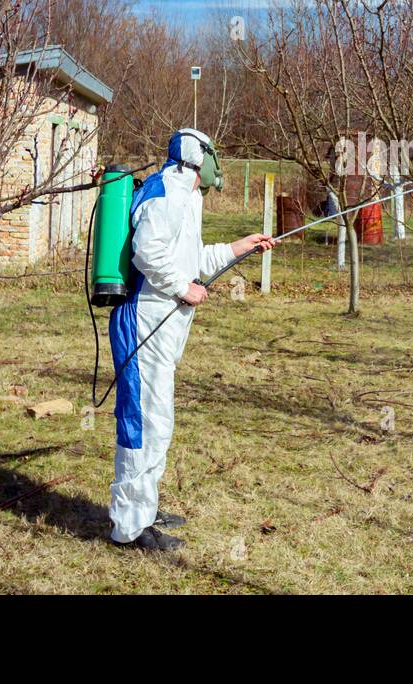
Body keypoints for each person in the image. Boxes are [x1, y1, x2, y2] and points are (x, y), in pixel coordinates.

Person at [108, 128, 273, 552]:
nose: (219, 163)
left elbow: (192, 257)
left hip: (162, 327)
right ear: (197, 158)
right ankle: (129, 527)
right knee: (143, 424)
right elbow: (147, 252)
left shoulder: (186, 195)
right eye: (213, 154)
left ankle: (145, 507)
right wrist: (183, 287)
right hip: (143, 323)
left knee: (158, 424)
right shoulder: (166, 191)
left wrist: (241, 247)